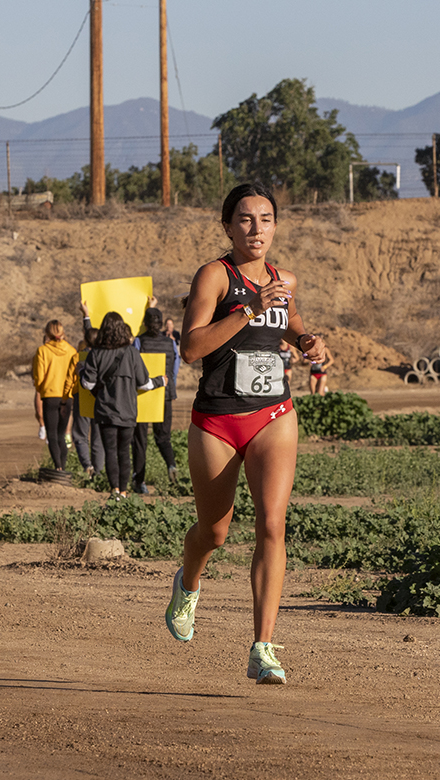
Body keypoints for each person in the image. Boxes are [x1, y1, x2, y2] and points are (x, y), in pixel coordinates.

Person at [163, 183, 328, 685]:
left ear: (277, 225)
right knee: (214, 532)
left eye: (266, 219)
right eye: (246, 220)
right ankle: (188, 582)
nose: (257, 229)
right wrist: (251, 308)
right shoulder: (215, 276)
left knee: (272, 527)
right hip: (217, 419)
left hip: (273, 415)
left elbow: (292, 320)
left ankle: (263, 647)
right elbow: (191, 349)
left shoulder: (284, 278)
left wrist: (307, 341)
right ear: (228, 226)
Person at [77, 307, 165, 499]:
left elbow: (87, 383)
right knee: (124, 452)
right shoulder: (132, 353)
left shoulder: (95, 354)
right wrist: (161, 381)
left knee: (110, 451)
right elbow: (145, 384)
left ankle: (114, 490)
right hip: (128, 412)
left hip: (105, 412)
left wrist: (80, 370)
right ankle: (124, 492)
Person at [132, 305, 180, 493]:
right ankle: (171, 465)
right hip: (165, 393)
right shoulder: (170, 343)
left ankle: (140, 483)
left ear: (144, 324)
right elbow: (174, 369)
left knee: (140, 440)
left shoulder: (138, 342)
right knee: (163, 436)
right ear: (161, 324)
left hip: (142, 394)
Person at [32, 320, 78, 470]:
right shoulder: (72, 351)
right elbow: (75, 376)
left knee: (51, 435)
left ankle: (57, 467)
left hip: (50, 396)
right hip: (67, 396)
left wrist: (41, 389)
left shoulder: (43, 351)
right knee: (61, 435)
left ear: (47, 334)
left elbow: (38, 376)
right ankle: (63, 468)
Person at [71, 327, 105, 477]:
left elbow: (69, 380)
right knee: (98, 437)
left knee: (80, 434)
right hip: (100, 399)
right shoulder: (104, 357)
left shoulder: (78, 357)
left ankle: (87, 465)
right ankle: (98, 472)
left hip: (81, 397)